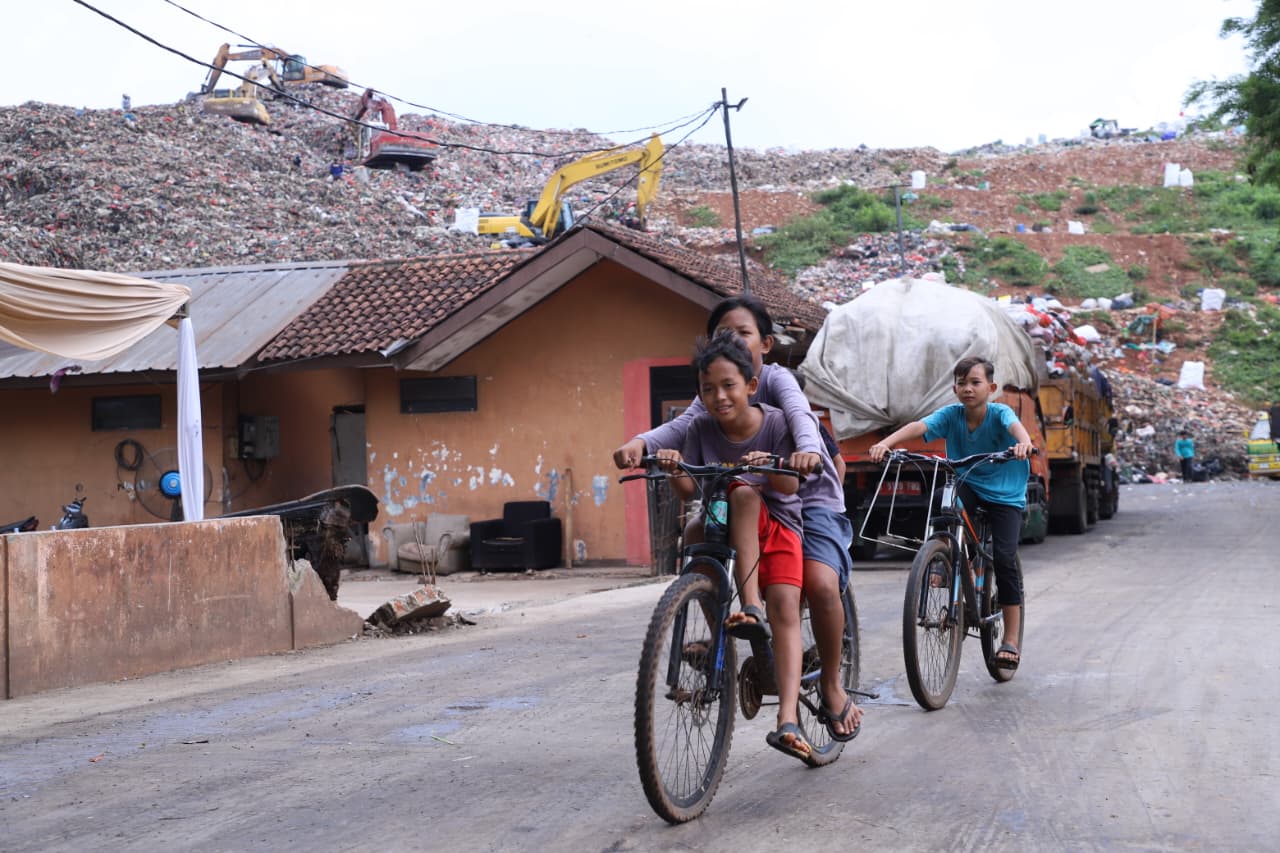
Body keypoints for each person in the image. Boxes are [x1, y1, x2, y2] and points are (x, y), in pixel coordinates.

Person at [614, 295, 862, 742]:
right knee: (695, 531)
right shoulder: (711, 398)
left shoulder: (777, 382)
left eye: (742, 334)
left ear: (764, 345)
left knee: (820, 583)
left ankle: (830, 681)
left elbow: (802, 420)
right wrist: (641, 444)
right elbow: (679, 430)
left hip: (805, 493)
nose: (732, 342)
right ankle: (721, 633)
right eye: (722, 335)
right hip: (747, 494)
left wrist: (804, 454)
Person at [654, 331, 811, 762]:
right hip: (724, 528)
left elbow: (789, 484)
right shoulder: (701, 428)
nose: (719, 397)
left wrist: (775, 464)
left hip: (775, 526)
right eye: (708, 389)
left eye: (728, 386)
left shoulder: (777, 422)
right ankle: (722, 618)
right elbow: (689, 490)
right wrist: (671, 466)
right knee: (692, 533)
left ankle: (788, 718)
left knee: (783, 611)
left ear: (751, 386)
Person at [868, 356, 1035, 671]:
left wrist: (1024, 444)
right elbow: (921, 426)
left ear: (991, 387)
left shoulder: (999, 412)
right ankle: (946, 556)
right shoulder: (952, 414)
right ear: (954, 388)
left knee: (1003, 556)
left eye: (975, 382)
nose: (967, 389)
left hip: (1004, 492)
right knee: (944, 503)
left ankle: (1010, 640)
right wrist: (886, 443)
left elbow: (1016, 429)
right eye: (961, 383)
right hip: (969, 481)